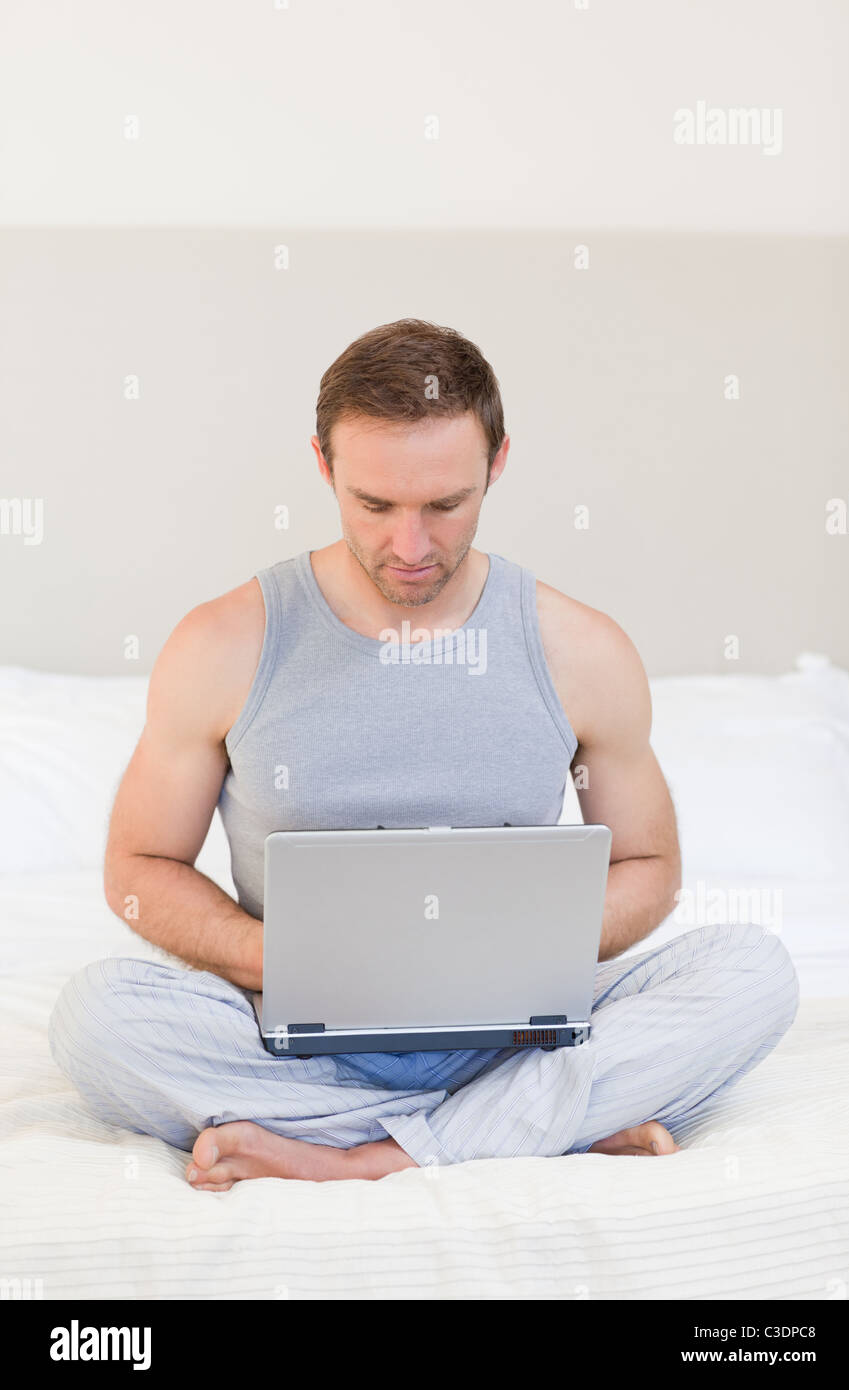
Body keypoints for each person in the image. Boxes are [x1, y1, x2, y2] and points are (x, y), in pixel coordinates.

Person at [49, 319, 799, 1189]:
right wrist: (281, 960)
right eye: (375, 506)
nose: (410, 548)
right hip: (295, 1040)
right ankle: (529, 1127)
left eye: (446, 505)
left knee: (755, 972)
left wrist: (514, 959)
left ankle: (362, 1156)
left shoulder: (580, 648)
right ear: (324, 467)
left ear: (499, 463)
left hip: (515, 1037)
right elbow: (139, 865)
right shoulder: (223, 643)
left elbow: (649, 863)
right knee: (93, 1020)